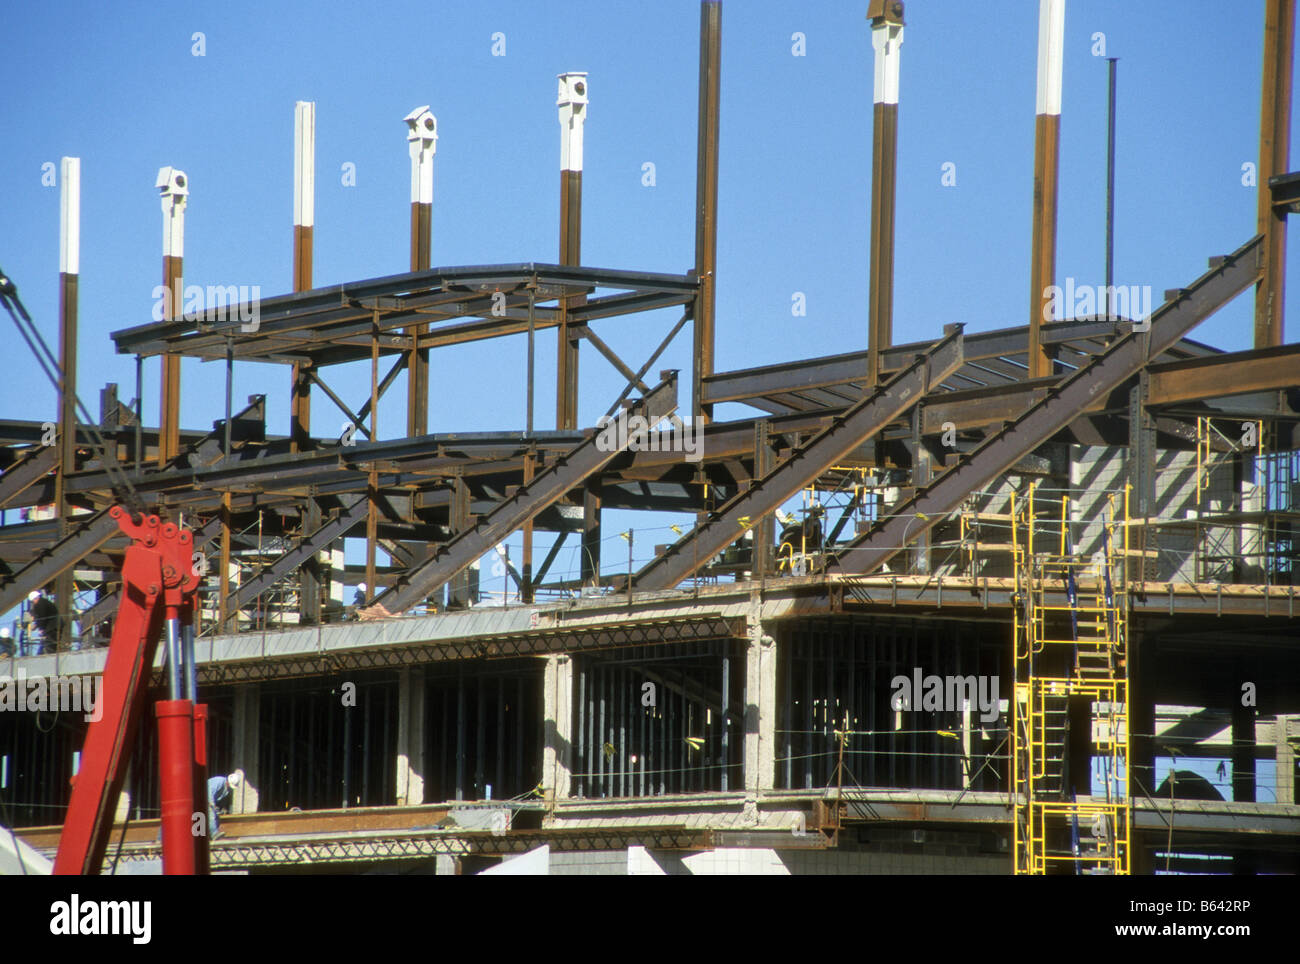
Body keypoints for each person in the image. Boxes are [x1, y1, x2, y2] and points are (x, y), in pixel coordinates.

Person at [207, 770, 243, 840]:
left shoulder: (226, 790)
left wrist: (220, 808)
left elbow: (219, 799)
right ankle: (214, 834)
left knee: (216, 816)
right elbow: (209, 791)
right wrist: (212, 804)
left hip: (208, 800)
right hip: (203, 796)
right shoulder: (219, 781)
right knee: (211, 812)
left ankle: (211, 835)